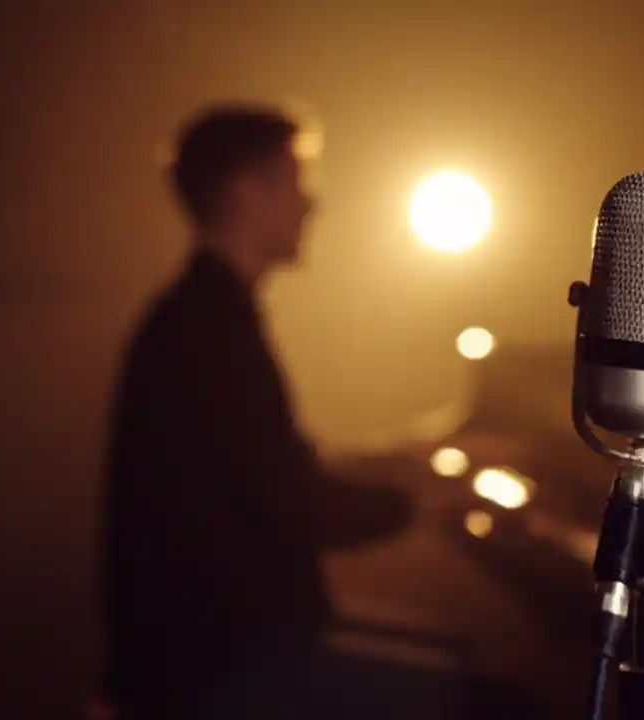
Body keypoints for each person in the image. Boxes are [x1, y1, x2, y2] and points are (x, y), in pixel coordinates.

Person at [101, 105, 404, 718]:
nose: (311, 205)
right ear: (245, 192)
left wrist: (402, 463)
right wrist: (417, 502)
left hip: (207, 649)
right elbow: (289, 500)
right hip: (215, 666)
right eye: (295, 181)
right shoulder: (207, 328)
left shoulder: (201, 314)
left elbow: (262, 466)